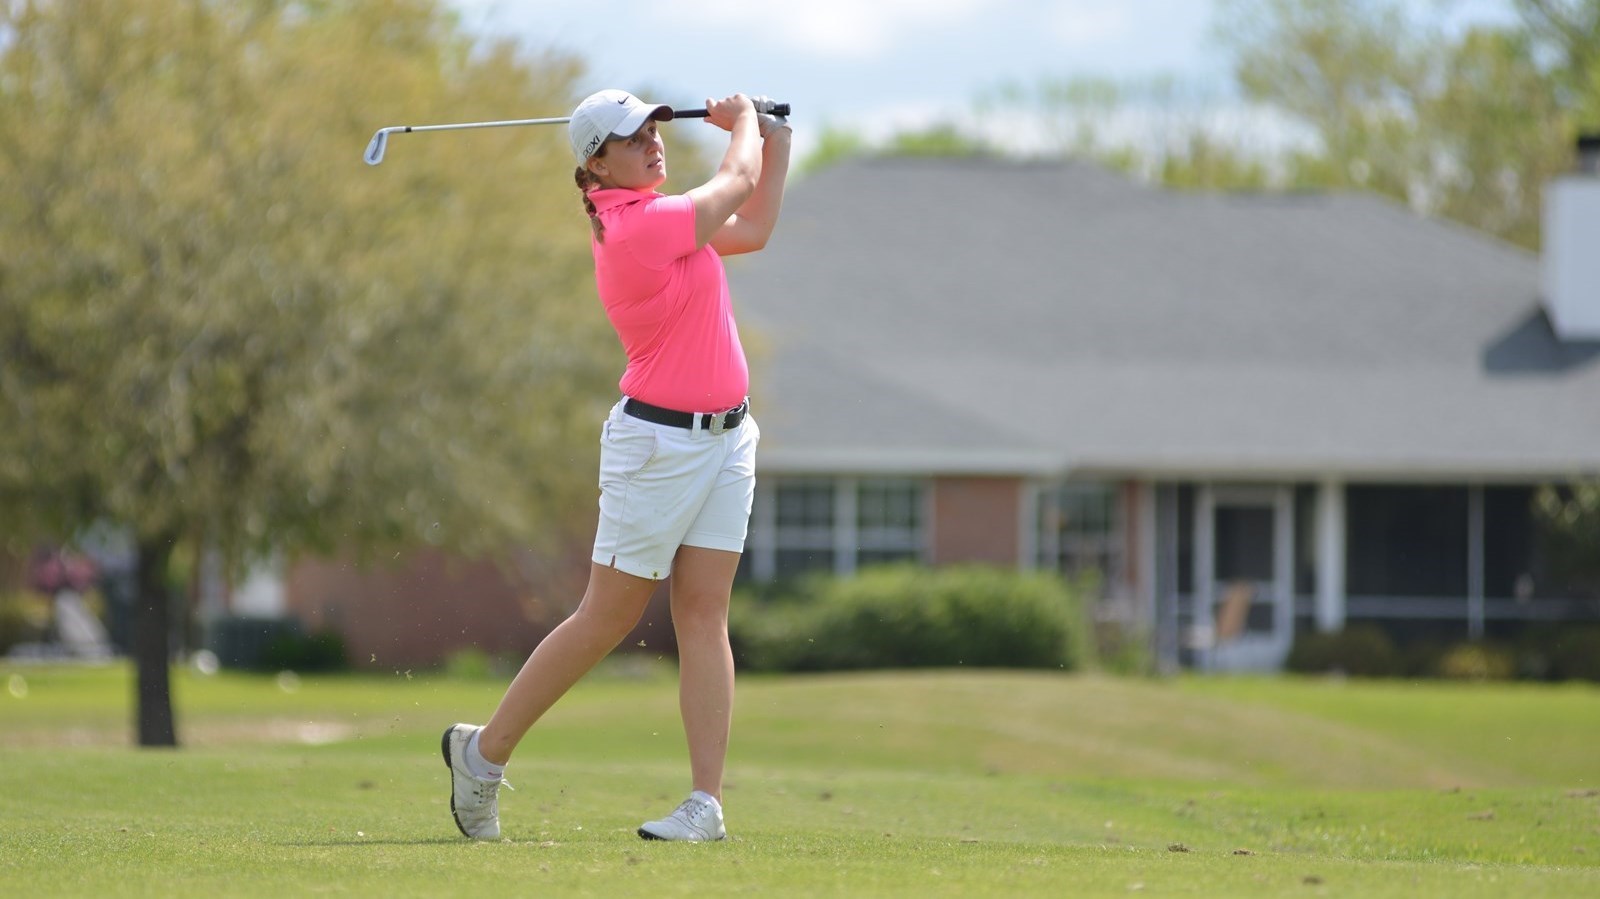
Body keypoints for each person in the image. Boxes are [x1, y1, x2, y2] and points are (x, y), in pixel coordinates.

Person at [441, 89, 791, 843]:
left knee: (704, 613)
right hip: (657, 446)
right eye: (634, 139)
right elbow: (734, 185)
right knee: (609, 615)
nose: (654, 144)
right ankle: (483, 753)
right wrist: (745, 131)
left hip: (728, 439)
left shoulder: (671, 226)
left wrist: (777, 135)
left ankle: (705, 804)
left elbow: (755, 224)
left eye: (655, 130)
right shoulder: (636, 227)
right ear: (596, 164)